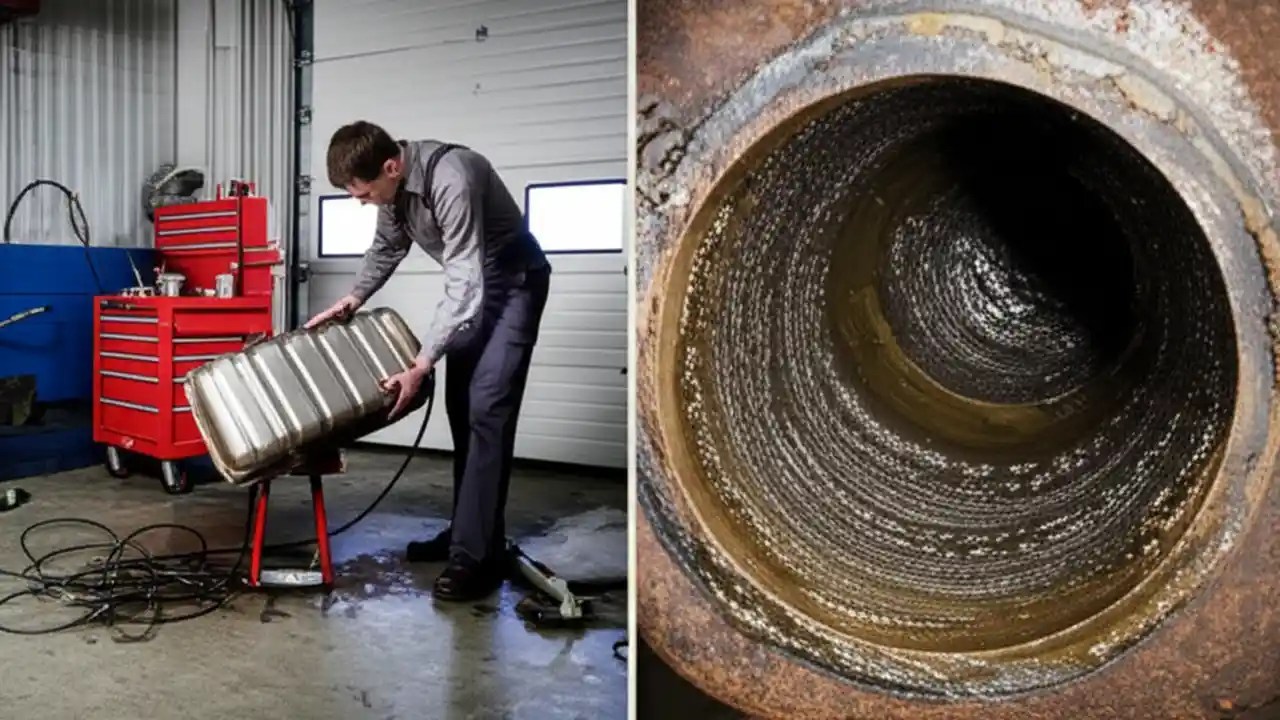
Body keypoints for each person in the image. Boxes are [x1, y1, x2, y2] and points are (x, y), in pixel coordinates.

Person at [307, 121, 550, 601]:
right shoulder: (394, 191)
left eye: (364, 192)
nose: (363, 201)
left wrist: (420, 365)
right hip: (475, 283)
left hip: (515, 280)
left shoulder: (452, 177)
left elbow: (464, 284)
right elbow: (387, 248)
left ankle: (476, 560)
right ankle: (469, 533)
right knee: (460, 405)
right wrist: (354, 299)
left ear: (391, 167)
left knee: (487, 408)